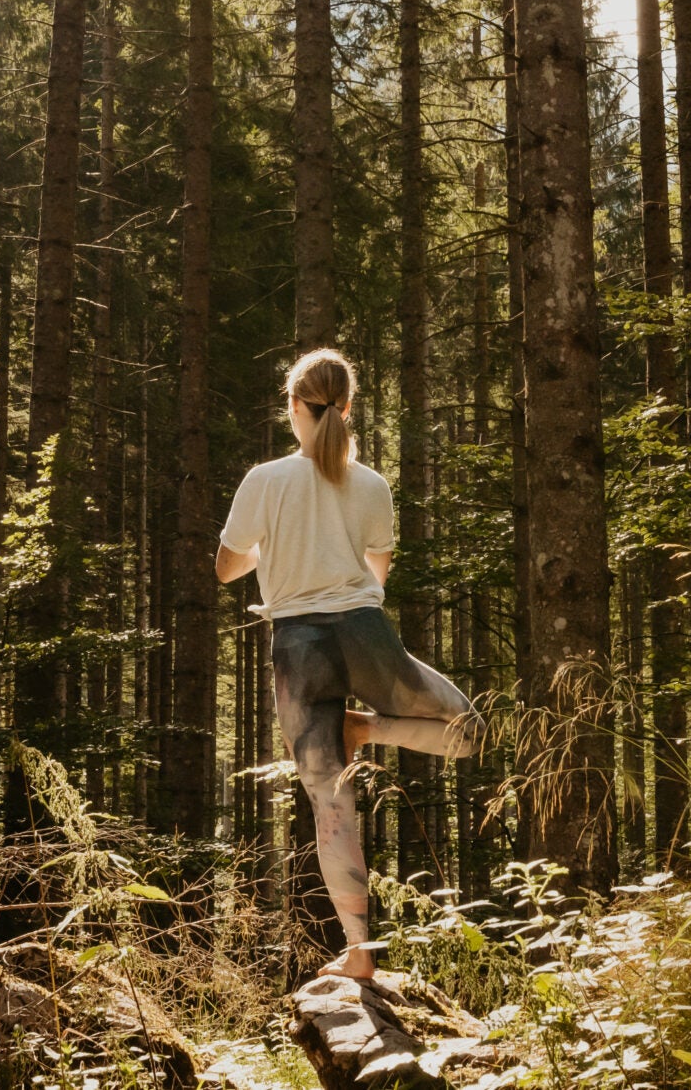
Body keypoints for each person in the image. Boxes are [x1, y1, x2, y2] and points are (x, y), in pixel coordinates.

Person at [217, 347, 481, 982]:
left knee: (331, 804)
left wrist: (269, 550)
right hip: (365, 634)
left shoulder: (264, 479)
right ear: (349, 406)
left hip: (298, 646)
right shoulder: (371, 485)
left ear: (292, 406)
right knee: (472, 730)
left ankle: (360, 952)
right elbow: (375, 579)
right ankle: (373, 728)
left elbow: (227, 568)